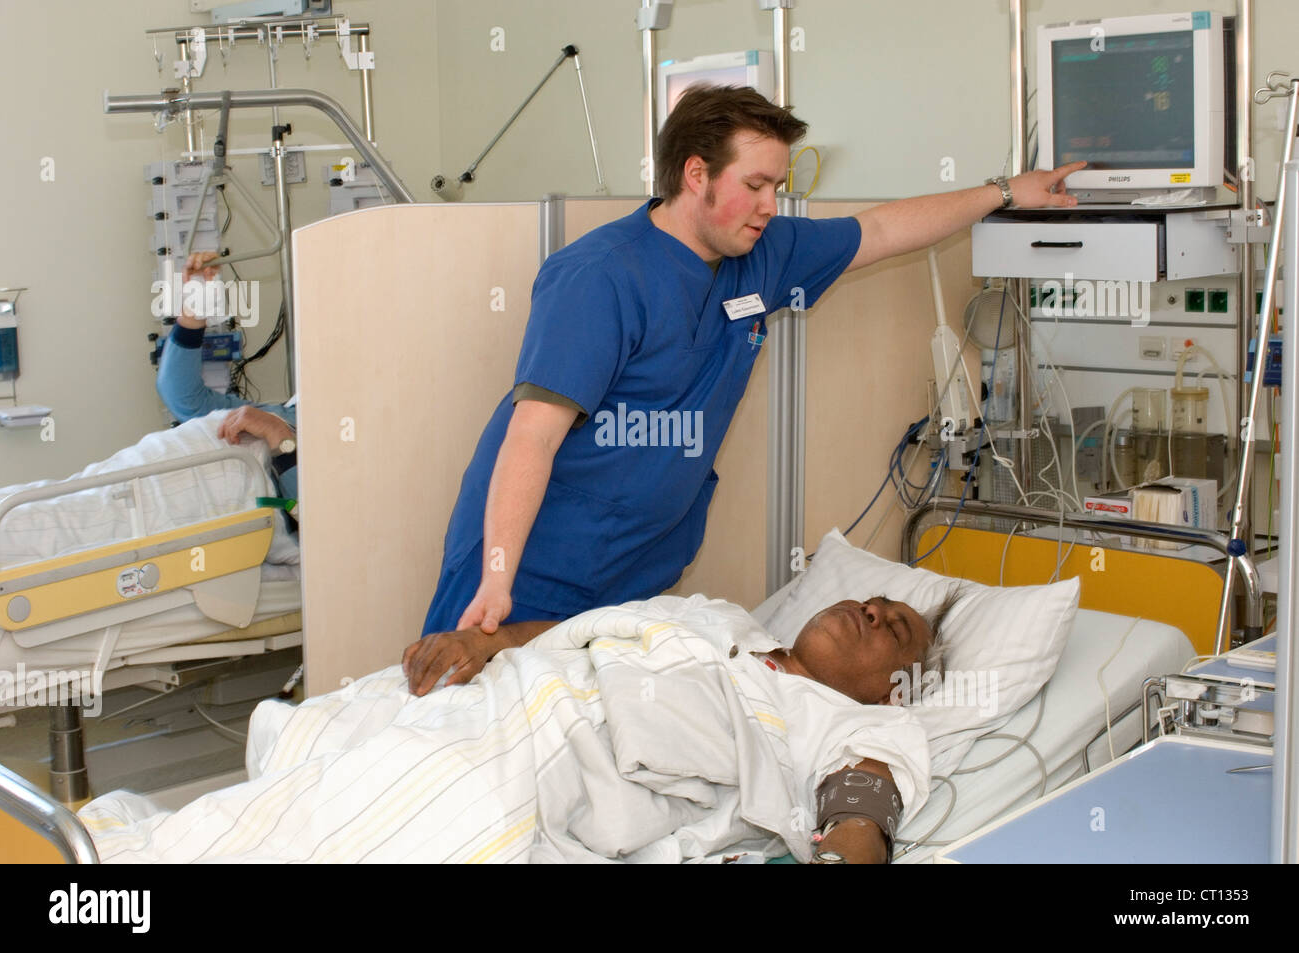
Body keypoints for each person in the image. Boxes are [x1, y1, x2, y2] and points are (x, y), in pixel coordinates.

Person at [422, 84, 1084, 638]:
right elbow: (531, 435)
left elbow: (881, 231)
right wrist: (499, 577)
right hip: (532, 570)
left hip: (637, 576)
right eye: (756, 184)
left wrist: (1004, 192)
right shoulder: (598, 278)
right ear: (695, 174)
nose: (772, 205)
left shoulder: (760, 256)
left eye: (779, 185)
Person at [406, 589, 958, 863]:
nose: (869, 611)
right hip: (492, 699)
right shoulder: (722, 617)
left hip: (552, 768)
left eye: (894, 627)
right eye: (870, 602)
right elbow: (588, 629)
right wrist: (486, 641)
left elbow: (860, 813)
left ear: (893, 692)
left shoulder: (854, 724)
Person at [156, 252, 299, 509]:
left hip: (189, 501)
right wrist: (195, 306)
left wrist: (281, 439)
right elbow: (183, 398)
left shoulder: (361, 431)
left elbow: (318, 522)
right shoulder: (294, 413)